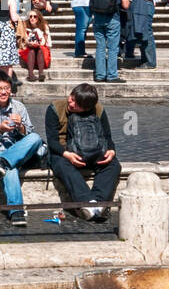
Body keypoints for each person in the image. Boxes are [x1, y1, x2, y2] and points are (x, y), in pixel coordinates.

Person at [0, 72, 45, 226]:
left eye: (6, 88)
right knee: (9, 168)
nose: (3, 92)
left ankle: (2, 162)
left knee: (36, 138)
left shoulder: (19, 106)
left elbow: (29, 134)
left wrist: (21, 127)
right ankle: (16, 211)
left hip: (16, 149)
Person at [44, 83, 120, 221]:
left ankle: (97, 202)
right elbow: (52, 141)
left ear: (87, 108)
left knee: (113, 165)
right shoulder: (55, 108)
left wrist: (111, 151)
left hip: (94, 151)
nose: (71, 103)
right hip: (65, 153)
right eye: (71, 98)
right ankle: (89, 204)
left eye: (76, 104)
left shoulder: (98, 110)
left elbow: (107, 137)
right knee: (62, 165)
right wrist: (67, 154)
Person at [87, 0, 129, 84]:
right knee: (112, 48)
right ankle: (111, 75)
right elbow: (125, 5)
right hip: (113, 18)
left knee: (100, 46)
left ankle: (100, 75)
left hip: (98, 18)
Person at [18, 6, 52, 82]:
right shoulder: (25, 26)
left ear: (38, 18)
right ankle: (31, 74)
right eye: (30, 16)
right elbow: (23, 42)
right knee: (31, 50)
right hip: (29, 52)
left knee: (39, 49)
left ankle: (41, 73)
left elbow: (47, 42)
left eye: (35, 16)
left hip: (42, 51)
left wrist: (38, 44)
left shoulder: (44, 26)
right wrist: (29, 43)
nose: (32, 18)